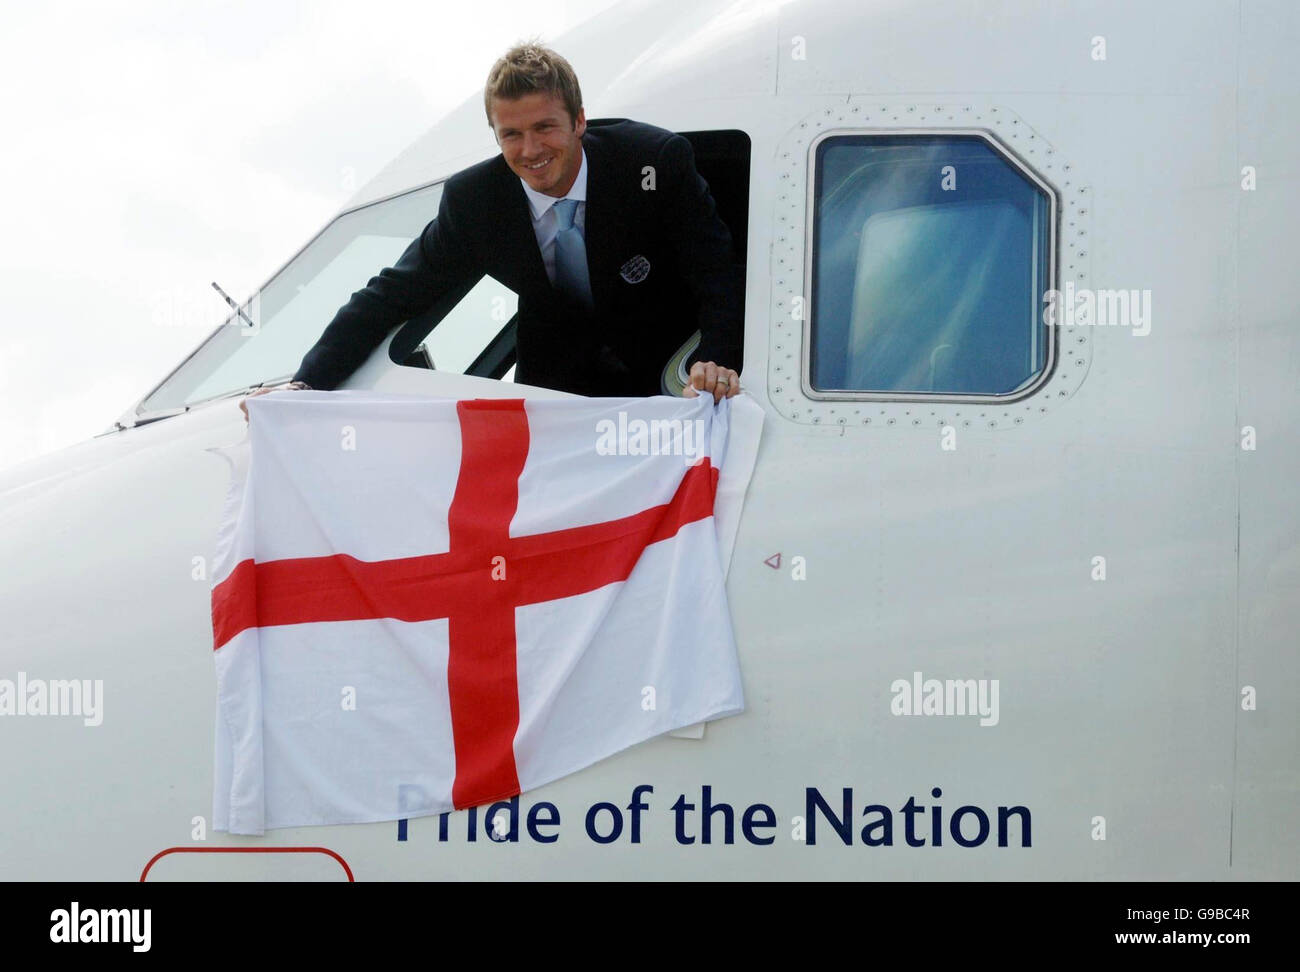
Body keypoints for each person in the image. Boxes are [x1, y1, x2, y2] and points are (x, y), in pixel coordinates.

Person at [242, 41, 742, 420]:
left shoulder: (652, 162)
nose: (530, 150)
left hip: (672, 388)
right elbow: (392, 295)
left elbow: (717, 271)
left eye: (545, 127)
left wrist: (716, 359)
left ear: (580, 121)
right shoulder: (475, 202)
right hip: (557, 403)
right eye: (511, 134)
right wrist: (306, 386)